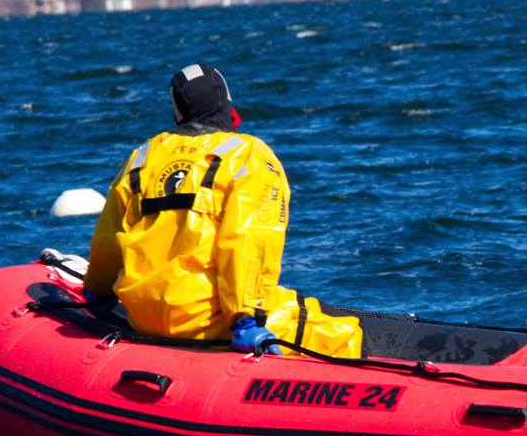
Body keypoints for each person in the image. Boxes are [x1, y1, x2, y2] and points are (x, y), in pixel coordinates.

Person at [84, 63, 361, 358]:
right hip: (209, 320)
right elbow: (249, 239)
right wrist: (246, 318)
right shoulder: (247, 155)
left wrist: (97, 290)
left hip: (144, 316)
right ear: (225, 103)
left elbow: (107, 237)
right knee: (342, 335)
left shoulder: (143, 156)